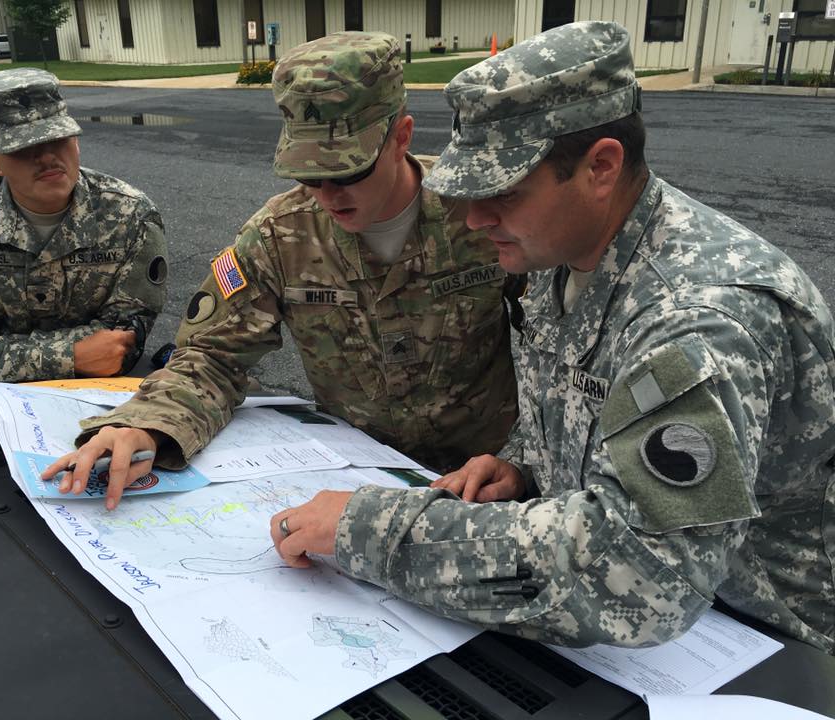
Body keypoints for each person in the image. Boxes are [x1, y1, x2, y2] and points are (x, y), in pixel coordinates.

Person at [267, 21, 835, 654]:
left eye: (502, 192)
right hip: (677, 631)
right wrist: (526, 469)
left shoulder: (698, 322)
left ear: (601, 167)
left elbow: (645, 576)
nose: (476, 219)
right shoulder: (562, 250)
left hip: (769, 644)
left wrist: (365, 528)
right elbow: (585, 414)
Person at [44, 31, 518, 506]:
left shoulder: (485, 215)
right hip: (359, 482)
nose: (328, 195)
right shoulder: (281, 235)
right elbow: (213, 356)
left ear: (402, 137)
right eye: (309, 173)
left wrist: (522, 461)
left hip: (492, 485)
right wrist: (144, 425)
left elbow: (560, 358)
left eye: (348, 171)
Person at [0, 68, 168, 382]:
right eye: (23, 147)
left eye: (58, 139)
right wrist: (69, 357)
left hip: (98, 393)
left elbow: (121, 345)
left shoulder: (130, 215)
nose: (47, 157)